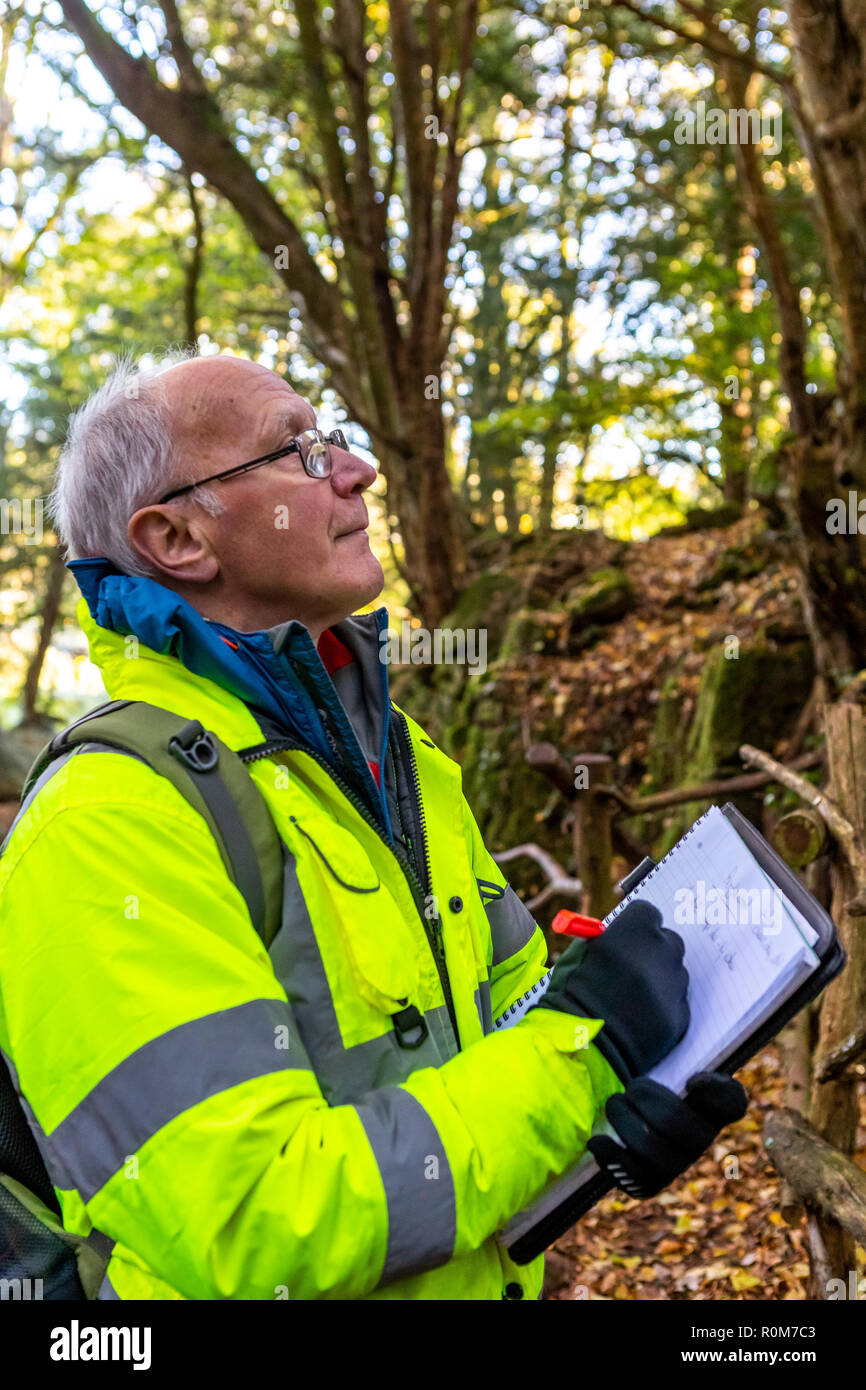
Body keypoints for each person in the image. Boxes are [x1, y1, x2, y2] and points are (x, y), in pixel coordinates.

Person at [0, 350, 746, 1301]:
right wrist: (585, 1056)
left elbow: (502, 1052)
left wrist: (620, 1114)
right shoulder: (107, 825)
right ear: (179, 539)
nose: (359, 471)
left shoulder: (403, 761)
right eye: (299, 451)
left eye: (337, 439)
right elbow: (253, 1224)